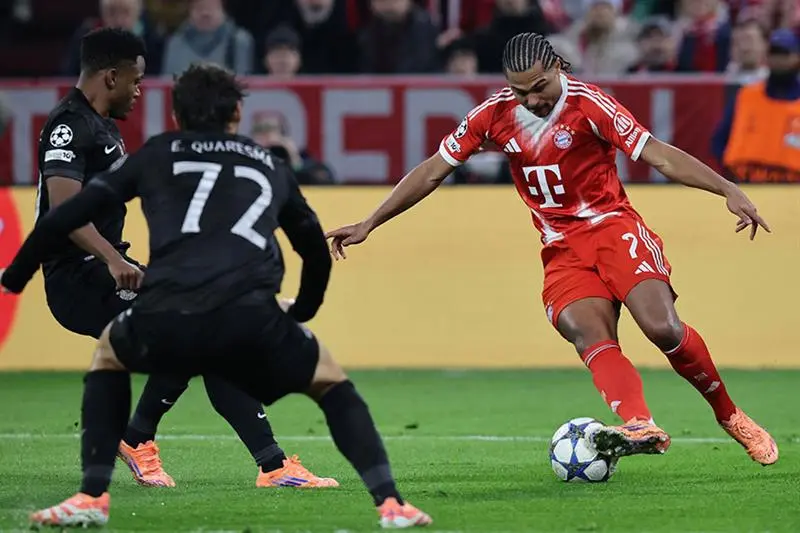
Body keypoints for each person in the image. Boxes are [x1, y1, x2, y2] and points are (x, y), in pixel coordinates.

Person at [1, 63, 432, 529]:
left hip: (171, 302)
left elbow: (65, 215)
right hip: (248, 307)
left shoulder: (156, 154)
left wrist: (16, 275)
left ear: (176, 115)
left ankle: (93, 493)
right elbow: (312, 248)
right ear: (237, 113)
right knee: (331, 383)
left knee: (111, 358)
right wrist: (302, 311)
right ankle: (388, 503)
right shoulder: (267, 162)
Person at [326, 32, 779, 465]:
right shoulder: (492, 115)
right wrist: (370, 222)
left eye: (539, 87)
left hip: (613, 229)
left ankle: (729, 415)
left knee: (661, 328)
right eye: (520, 91)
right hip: (561, 247)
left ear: (558, 67)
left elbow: (658, 154)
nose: (532, 100)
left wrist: (726, 189)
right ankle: (639, 424)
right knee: (586, 331)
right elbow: (431, 171)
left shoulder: (590, 104)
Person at [32, 27, 336, 491]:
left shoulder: (102, 127)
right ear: (111, 77)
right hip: (77, 279)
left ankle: (268, 464)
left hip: (105, 269)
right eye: (136, 80)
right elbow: (63, 212)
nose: (139, 90)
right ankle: (147, 440)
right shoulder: (69, 127)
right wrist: (114, 260)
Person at [714, 28, 800, 182]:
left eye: (784, 54)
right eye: (774, 53)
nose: (778, 59)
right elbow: (719, 141)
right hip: (746, 184)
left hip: (793, 187)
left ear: (796, 57)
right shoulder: (746, 96)